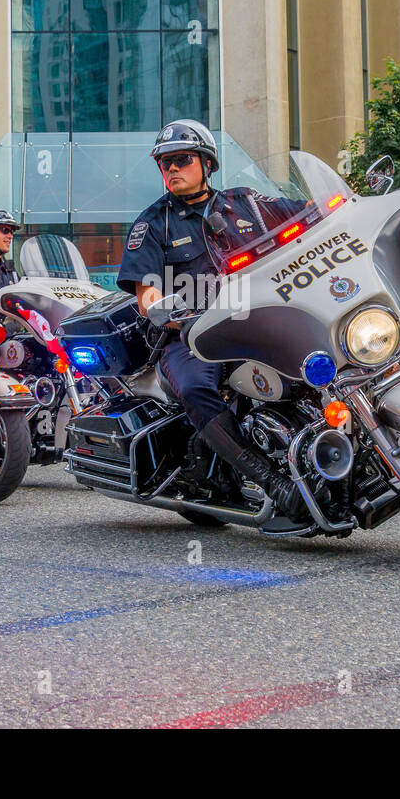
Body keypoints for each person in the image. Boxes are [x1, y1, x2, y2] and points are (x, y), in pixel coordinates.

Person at [115, 119, 309, 533]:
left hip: (255, 322)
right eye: (165, 163)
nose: (171, 169)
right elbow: (145, 291)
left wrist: (345, 208)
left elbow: (311, 217)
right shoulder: (153, 224)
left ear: (206, 162)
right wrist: (163, 309)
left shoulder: (245, 203)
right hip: (191, 335)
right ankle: (272, 482)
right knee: (196, 387)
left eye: (181, 160)